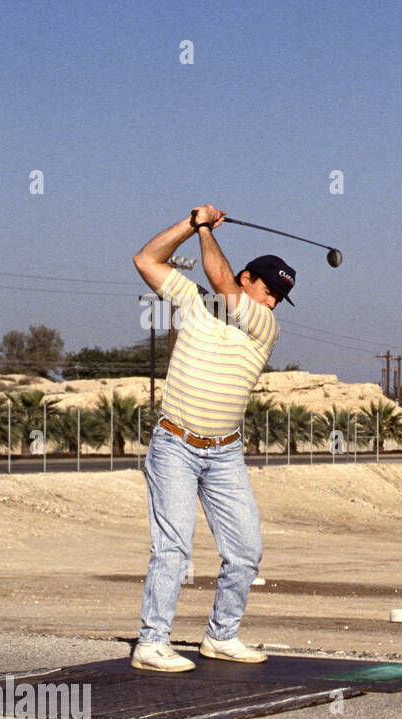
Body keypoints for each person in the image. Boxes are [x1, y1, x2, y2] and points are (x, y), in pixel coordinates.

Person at [130, 205, 295, 672]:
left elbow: (221, 282)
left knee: (245, 550)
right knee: (173, 547)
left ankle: (221, 636)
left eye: (279, 299)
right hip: (175, 446)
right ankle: (151, 642)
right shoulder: (193, 299)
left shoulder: (264, 326)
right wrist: (189, 221)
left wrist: (204, 229)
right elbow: (145, 259)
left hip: (224, 453)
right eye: (268, 291)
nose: (271, 303)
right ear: (248, 278)